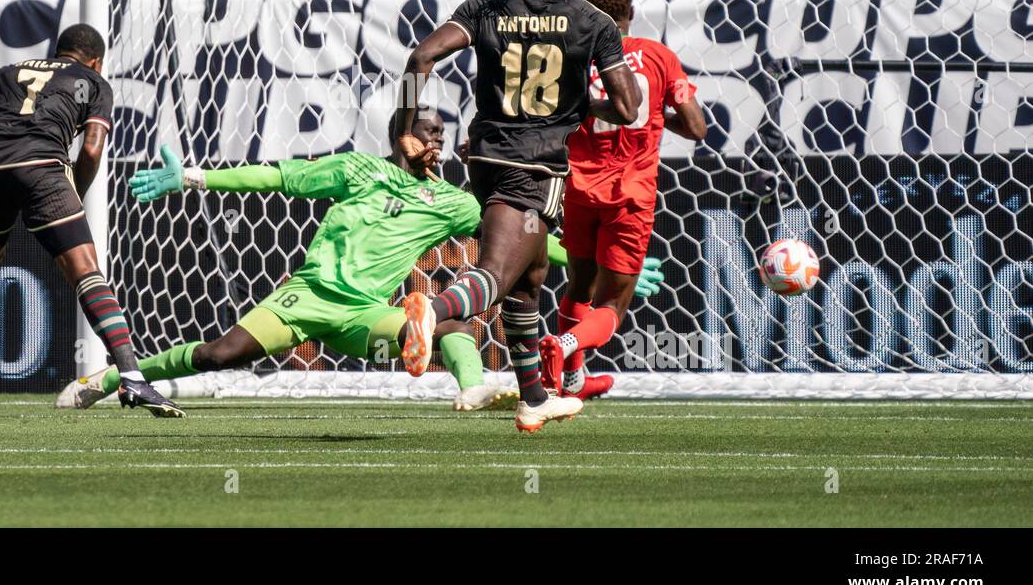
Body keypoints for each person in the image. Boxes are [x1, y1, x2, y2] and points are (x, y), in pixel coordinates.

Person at [55, 109, 664, 413]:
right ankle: (109, 379)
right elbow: (275, 177)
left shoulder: (452, 202)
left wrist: (601, 259)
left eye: (442, 135)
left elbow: (526, 244)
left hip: (362, 316)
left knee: (449, 327)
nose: (437, 142)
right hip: (306, 296)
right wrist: (193, 176)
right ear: (400, 136)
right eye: (427, 131)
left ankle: (473, 392)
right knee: (221, 354)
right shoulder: (357, 170)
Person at [393, 0, 640, 433]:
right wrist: (579, 104)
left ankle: (532, 397)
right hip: (536, 166)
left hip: (483, 159)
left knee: (528, 284)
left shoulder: (484, 10)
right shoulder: (592, 21)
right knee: (500, 273)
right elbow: (627, 106)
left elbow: (422, 56)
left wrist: (403, 130)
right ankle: (432, 314)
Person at [0, 24, 183, 418]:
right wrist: (76, 196)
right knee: (86, 271)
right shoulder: (93, 81)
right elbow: (90, 150)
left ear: (58, 51)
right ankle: (133, 378)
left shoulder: (7, 71)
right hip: (42, 167)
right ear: (96, 62)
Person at [540, 0, 706, 400]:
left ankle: (571, 381)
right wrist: (655, 118)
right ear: (630, 11)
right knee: (612, 304)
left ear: (587, 9)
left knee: (577, 285)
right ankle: (565, 347)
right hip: (630, 195)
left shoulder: (570, 55)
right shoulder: (658, 57)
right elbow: (696, 127)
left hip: (577, 187)